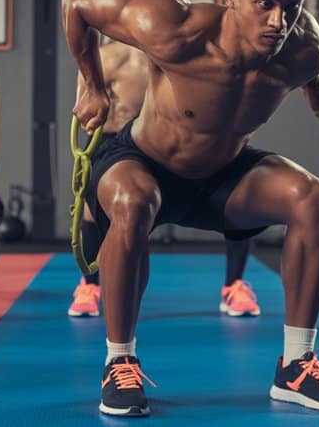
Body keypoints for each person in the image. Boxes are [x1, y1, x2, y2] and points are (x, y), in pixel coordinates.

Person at [62, 0, 319, 416]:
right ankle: (119, 362)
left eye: (293, 5)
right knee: (134, 202)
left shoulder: (305, 51)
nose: (278, 21)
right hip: (142, 164)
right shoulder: (173, 27)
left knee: (312, 196)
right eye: (264, 3)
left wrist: (314, 87)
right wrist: (92, 83)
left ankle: (296, 365)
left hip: (222, 177)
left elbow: (307, 57)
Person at [66, 40, 260, 320]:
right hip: (111, 142)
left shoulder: (180, 57)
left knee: (237, 201)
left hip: (164, 143)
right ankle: (89, 286)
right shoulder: (106, 59)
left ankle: (235, 285)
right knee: (91, 213)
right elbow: (85, 111)